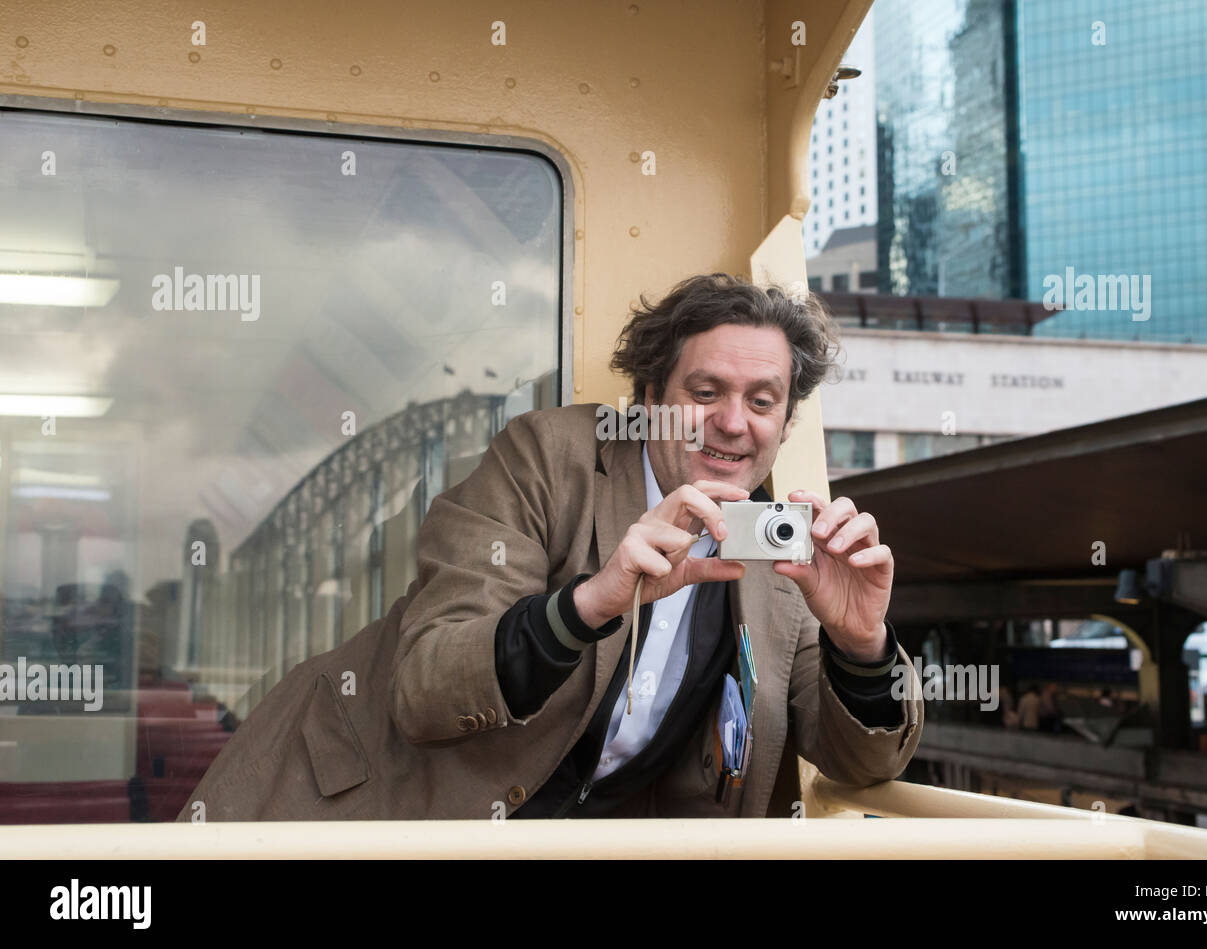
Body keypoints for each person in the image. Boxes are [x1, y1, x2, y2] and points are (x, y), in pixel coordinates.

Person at [179, 272, 923, 821]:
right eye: (705, 392)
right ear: (651, 400)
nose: (734, 422)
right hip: (361, 804)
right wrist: (593, 602)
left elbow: (861, 759)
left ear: (785, 423)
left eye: (762, 401)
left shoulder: (782, 552)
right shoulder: (543, 457)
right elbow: (427, 687)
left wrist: (862, 643)